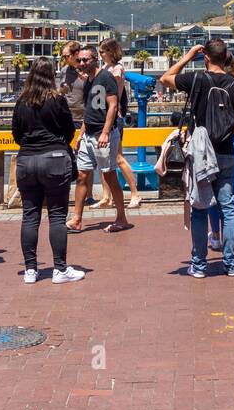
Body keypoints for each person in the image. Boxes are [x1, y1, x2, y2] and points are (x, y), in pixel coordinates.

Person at [161, 40, 234, 276]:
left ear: (206, 58)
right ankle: (231, 264)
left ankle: (199, 265)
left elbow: (165, 78)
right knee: (228, 209)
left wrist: (188, 56)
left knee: (199, 208)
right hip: (226, 152)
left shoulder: (196, 79)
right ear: (226, 57)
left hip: (201, 154)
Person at [12, 59, 84, 283]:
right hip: (54, 159)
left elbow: (16, 135)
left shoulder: (21, 102)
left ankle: (30, 270)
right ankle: (60, 269)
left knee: (30, 215)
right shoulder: (57, 100)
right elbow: (69, 130)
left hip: (26, 161)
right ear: (51, 75)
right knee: (56, 215)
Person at [66, 46, 132, 233]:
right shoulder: (89, 82)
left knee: (109, 175)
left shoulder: (106, 78)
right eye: (79, 60)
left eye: (85, 60)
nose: (81, 64)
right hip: (88, 134)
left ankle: (122, 217)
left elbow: (112, 106)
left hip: (104, 134)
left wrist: (105, 132)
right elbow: (89, 110)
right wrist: (81, 134)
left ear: (95, 59)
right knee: (82, 175)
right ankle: (77, 218)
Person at [94, 38, 142, 211]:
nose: (100, 55)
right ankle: (107, 197)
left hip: (115, 117)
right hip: (103, 116)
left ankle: (135, 193)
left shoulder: (116, 69)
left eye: (103, 51)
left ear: (111, 52)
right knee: (103, 157)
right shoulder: (105, 69)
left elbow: (114, 92)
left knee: (117, 157)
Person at [209, 53, 234, 250]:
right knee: (229, 199)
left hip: (208, 146)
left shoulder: (206, 85)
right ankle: (231, 245)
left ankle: (215, 235)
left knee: (210, 197)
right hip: (232, 143)